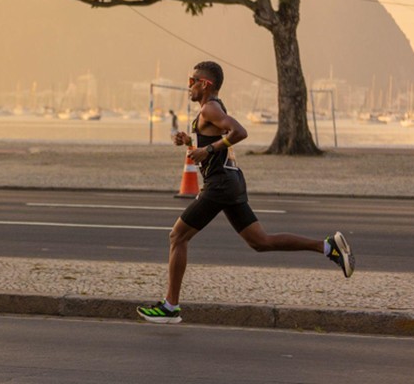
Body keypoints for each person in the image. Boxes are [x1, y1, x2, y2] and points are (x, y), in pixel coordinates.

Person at [137, 61, 355, 324]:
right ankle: (327, 246)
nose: (189, 86)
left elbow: (239, 132)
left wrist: (207, 150)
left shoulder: (210, 107)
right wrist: (190, 142)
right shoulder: (212, 109)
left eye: (192, 80)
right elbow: (214, 140)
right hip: (230, 182)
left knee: (177, 236)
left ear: (205, 84)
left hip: (220, 185)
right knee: (260, 242)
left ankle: (170, 307)